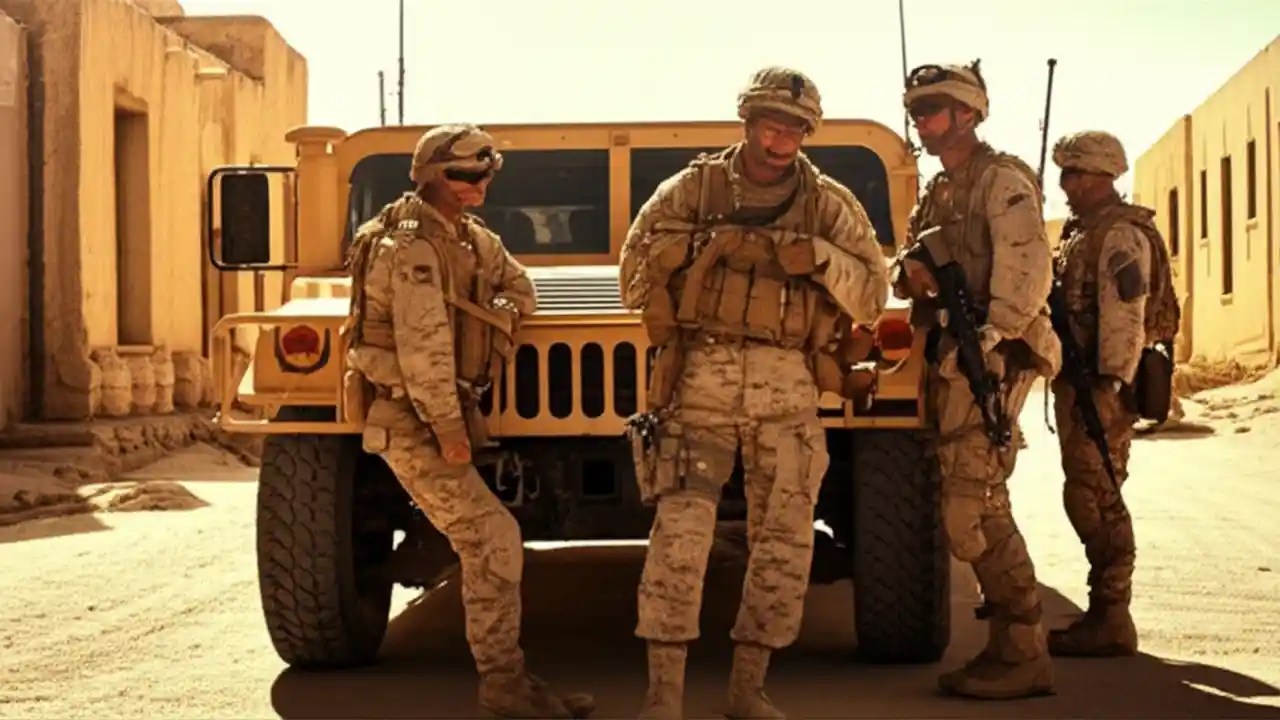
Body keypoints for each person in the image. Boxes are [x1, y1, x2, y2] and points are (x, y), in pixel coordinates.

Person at [619, 66, 890, 719]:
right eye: (773, 124)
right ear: (747, 121)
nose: (783, 140)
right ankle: (663, 698)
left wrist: (819, 258)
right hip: (700, 382)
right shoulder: (692, 190)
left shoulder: (828, 205)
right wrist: (707, 250)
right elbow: (634, 274)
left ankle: (747, 689)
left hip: (789, 385)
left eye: (796, 128)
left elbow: (873, 298)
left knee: (785, 538)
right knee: (680, 537)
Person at [342, 123, 595, 718]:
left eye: (486, 173)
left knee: (492, 542)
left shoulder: (469, 239)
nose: (479, 184)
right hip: (413, 417)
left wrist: (502, 307)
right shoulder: (410, 247)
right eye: (464, 175)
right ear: (432, 176)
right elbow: (425, 351)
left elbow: (520, 284)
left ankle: (510, 683)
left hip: (445, 410)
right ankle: (504, 689)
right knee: (493, 540)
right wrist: (451, 432)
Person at [892, 60, 1061, 699]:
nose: (922, 121)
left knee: (972, 506)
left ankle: (1024, 646)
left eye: (932, 109)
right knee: (975, 499)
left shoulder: (1002, 180)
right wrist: (912, 280)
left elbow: (1026, 275)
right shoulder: (940, 191)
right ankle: (1011, 647)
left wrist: (984, 343)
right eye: (917, 111)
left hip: (992, 356)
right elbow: (905, 265)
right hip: (953, 356)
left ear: (968, 113)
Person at [1047, 130, 1179, 657]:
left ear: (1101, 175)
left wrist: (1107, 386)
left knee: (1096, 494)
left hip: (1100, 386)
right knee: (1087, 490)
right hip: (1082, 380)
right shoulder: (1084, 231)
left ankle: (1111, 614)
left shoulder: (1119, 235)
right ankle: (1105, 610)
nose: (1065, 184)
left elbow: (1125, 318)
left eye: (1073, 173)